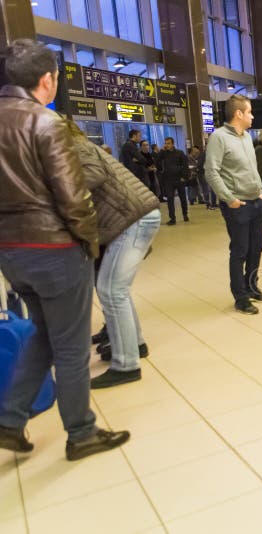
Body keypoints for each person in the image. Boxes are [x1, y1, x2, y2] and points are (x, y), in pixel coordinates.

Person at [0, 39, 129, 460]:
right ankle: (81, 433)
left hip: (11, 253)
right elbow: (74, 198)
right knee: (71, 345)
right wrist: (90, 243)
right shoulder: (46, 123)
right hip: (54, 248)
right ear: (46, 80)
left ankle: (10, 419)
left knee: (43, 335)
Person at [67, 121, 160, 389]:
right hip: (135, 216)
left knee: (111, 290)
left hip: (130, 219)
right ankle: (135, 344)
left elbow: (93, 176)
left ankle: (126, 364)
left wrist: (60, 188)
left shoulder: (75, 147)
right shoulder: (83, 145)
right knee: (115, 289)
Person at [204, 94, 262, 315]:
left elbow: (252, 168)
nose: (252, 116)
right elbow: (211, 172)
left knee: (256, 247)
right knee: (240, 250)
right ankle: (240, 296)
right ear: (238, 114)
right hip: (237, 204)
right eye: (249, 112)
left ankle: (252, 287)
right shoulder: (219, 137)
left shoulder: (246, 138)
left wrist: (260, 190)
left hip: (255, 201)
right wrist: (228, 198)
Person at [157, 137, 190, 225]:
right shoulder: (163, 154)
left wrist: (184, 177)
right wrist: (161, 151)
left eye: (168, 143)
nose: (166, 145)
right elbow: (157, 162)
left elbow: (185, 165)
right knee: (170, 199)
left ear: (173, 144)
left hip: (179, 179)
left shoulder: (180, 153)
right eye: (165, 143)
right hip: (168, 180)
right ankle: (172, 218)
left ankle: (185, 214)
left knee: (183, 198)